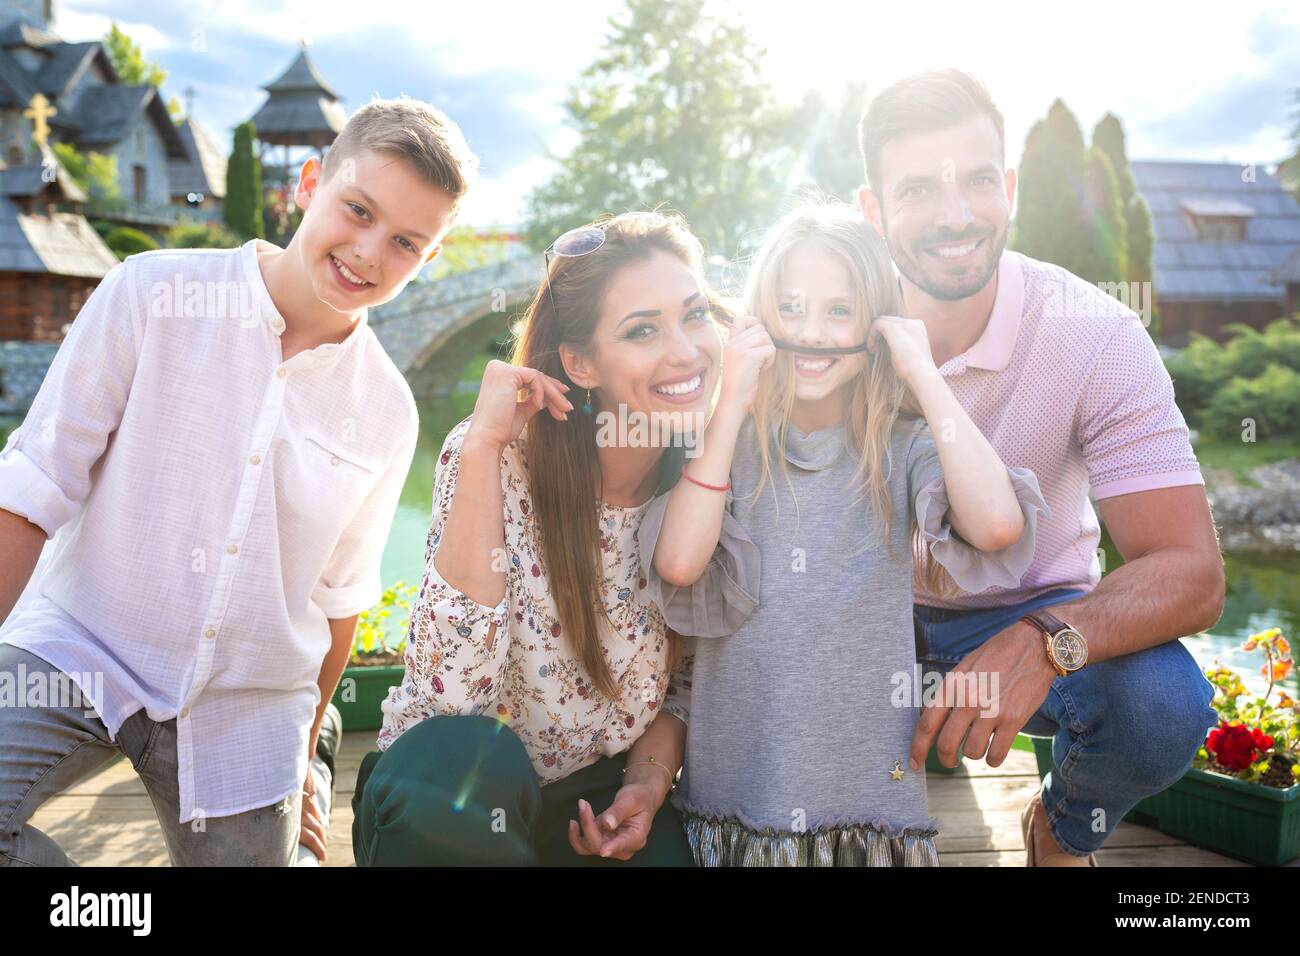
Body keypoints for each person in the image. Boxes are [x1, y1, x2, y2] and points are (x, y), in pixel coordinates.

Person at [0, 94, 476, 866]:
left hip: (248, 703)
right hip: (82, 645)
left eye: (404, 243)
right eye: (356, 209)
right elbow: (29, 491)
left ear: (429, 261)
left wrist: (300, 766)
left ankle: (306, 780)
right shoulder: (148, 295)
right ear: (309, 182)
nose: (367, 251)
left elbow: (338, 602)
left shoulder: (387, 409)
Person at [856, 69, 1224, 866]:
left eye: (979, 180)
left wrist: (1044, 637)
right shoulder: (826, 325)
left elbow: (1192, 573)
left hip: (1026, 603)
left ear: (1011, 188)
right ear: (873, 210)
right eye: (919, 189)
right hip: (861, 616)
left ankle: (1060, 833)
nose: (957, 217)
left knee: (1162, 707)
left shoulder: (1095, 333)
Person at [641, 200, 1049, 866]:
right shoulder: (728, 444)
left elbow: (998, 525)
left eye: (839, 311)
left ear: (877, 323)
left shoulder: (901, 445)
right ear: (761, 316)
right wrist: (733, 399)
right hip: (739, 792)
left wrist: (923, 372)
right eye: (793, 308)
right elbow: (682, 563)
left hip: (866, 800)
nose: (815, 332)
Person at [353, 211, 742, 866]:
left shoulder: (711, 480)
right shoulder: (497, 460)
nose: (685, 350)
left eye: (694, 314)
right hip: (451, 787)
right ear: (580, 364)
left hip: (589, 793)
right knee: (461, 775)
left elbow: (685, 686)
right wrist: (480, 446)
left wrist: (647, 786)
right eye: (643, 329)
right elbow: (453, 695)